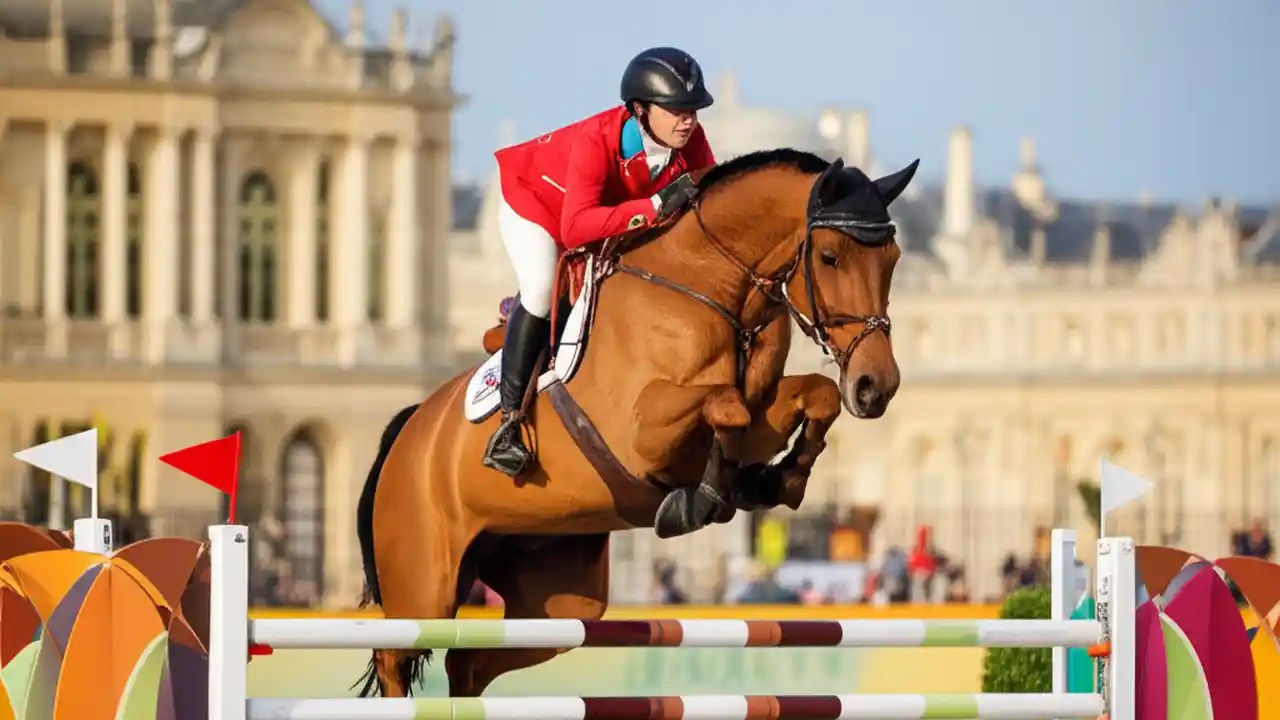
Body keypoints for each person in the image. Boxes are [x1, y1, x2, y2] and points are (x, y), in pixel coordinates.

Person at [482, 47, 718, 477]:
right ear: (640, 111)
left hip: (601, 214)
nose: (689, 119)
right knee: (539, 287)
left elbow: (709, 202)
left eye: (693, 110)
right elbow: (573, 230)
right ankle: (509, 424)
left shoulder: (691, 141)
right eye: (678, 110)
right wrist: (653, 206)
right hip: (536, 206)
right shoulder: (598, 141)